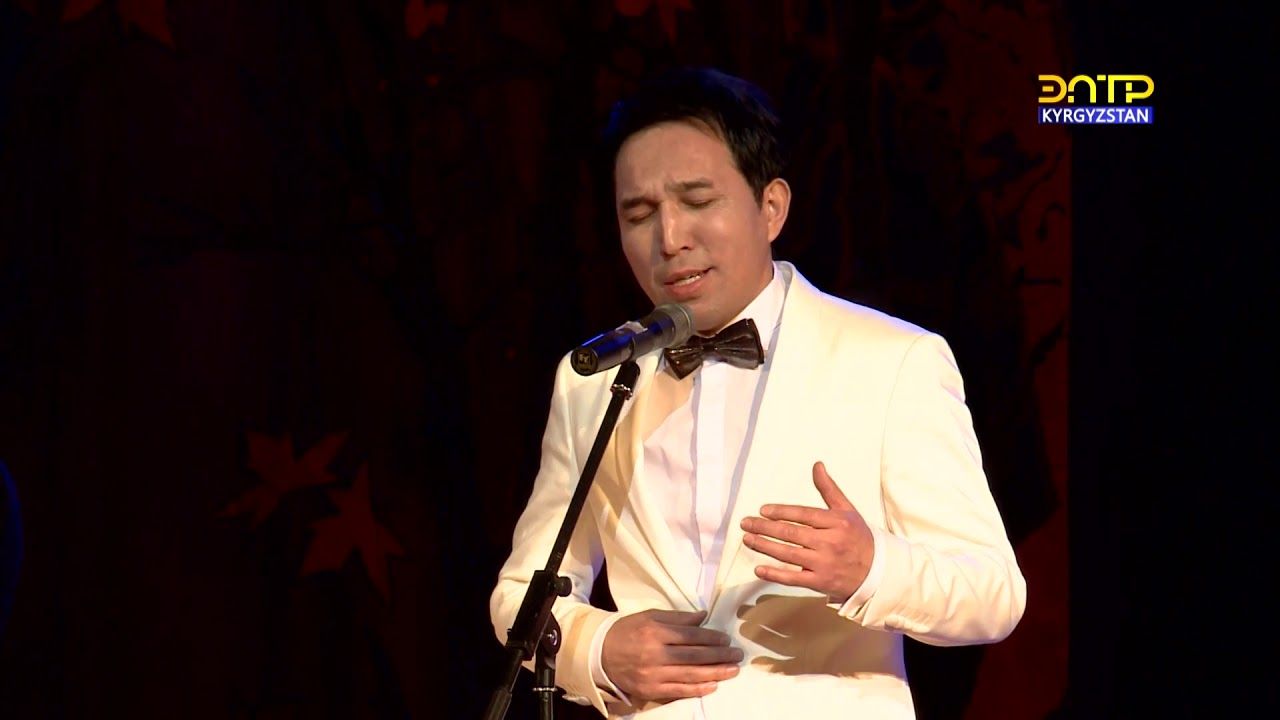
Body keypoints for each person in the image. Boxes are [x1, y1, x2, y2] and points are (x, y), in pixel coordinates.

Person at [489, 66, 1026, 720]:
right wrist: (599, 649)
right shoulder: (596, 378)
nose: (670, 238)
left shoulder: (894, 360)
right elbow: (521, 593)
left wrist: (871, 568)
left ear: (771, 207)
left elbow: (993, 592)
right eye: (639, 214)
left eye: (696, 201)